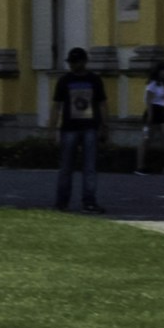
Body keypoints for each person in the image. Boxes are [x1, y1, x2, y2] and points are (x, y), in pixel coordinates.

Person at [49, 50, 112, 212]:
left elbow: (102, 104)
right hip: (69, 128)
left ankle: (89, 202)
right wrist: (52, 129)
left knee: (89, 167)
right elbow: (56, 106)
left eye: (74, 62)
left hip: (90, 127)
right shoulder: (64, 80)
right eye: (70, 62)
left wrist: (105, 126)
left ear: (84, 62)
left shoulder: (94, 80)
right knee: (66, 168)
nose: (71, 65)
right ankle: (61, 203)